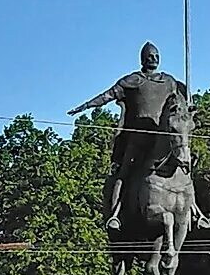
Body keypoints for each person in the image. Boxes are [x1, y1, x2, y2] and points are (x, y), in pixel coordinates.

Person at [69, 41, 184, 229]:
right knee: (124, 173)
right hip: (138, 138)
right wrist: (85, 106)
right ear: (143, 59)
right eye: (150, 56)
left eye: (156, 56)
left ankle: (194, 209)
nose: (153, 59)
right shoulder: (133, 80)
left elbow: (179, 102)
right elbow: (107, 95)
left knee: (183, 163)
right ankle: (115, 213)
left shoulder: (169, 81)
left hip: (163, 136)